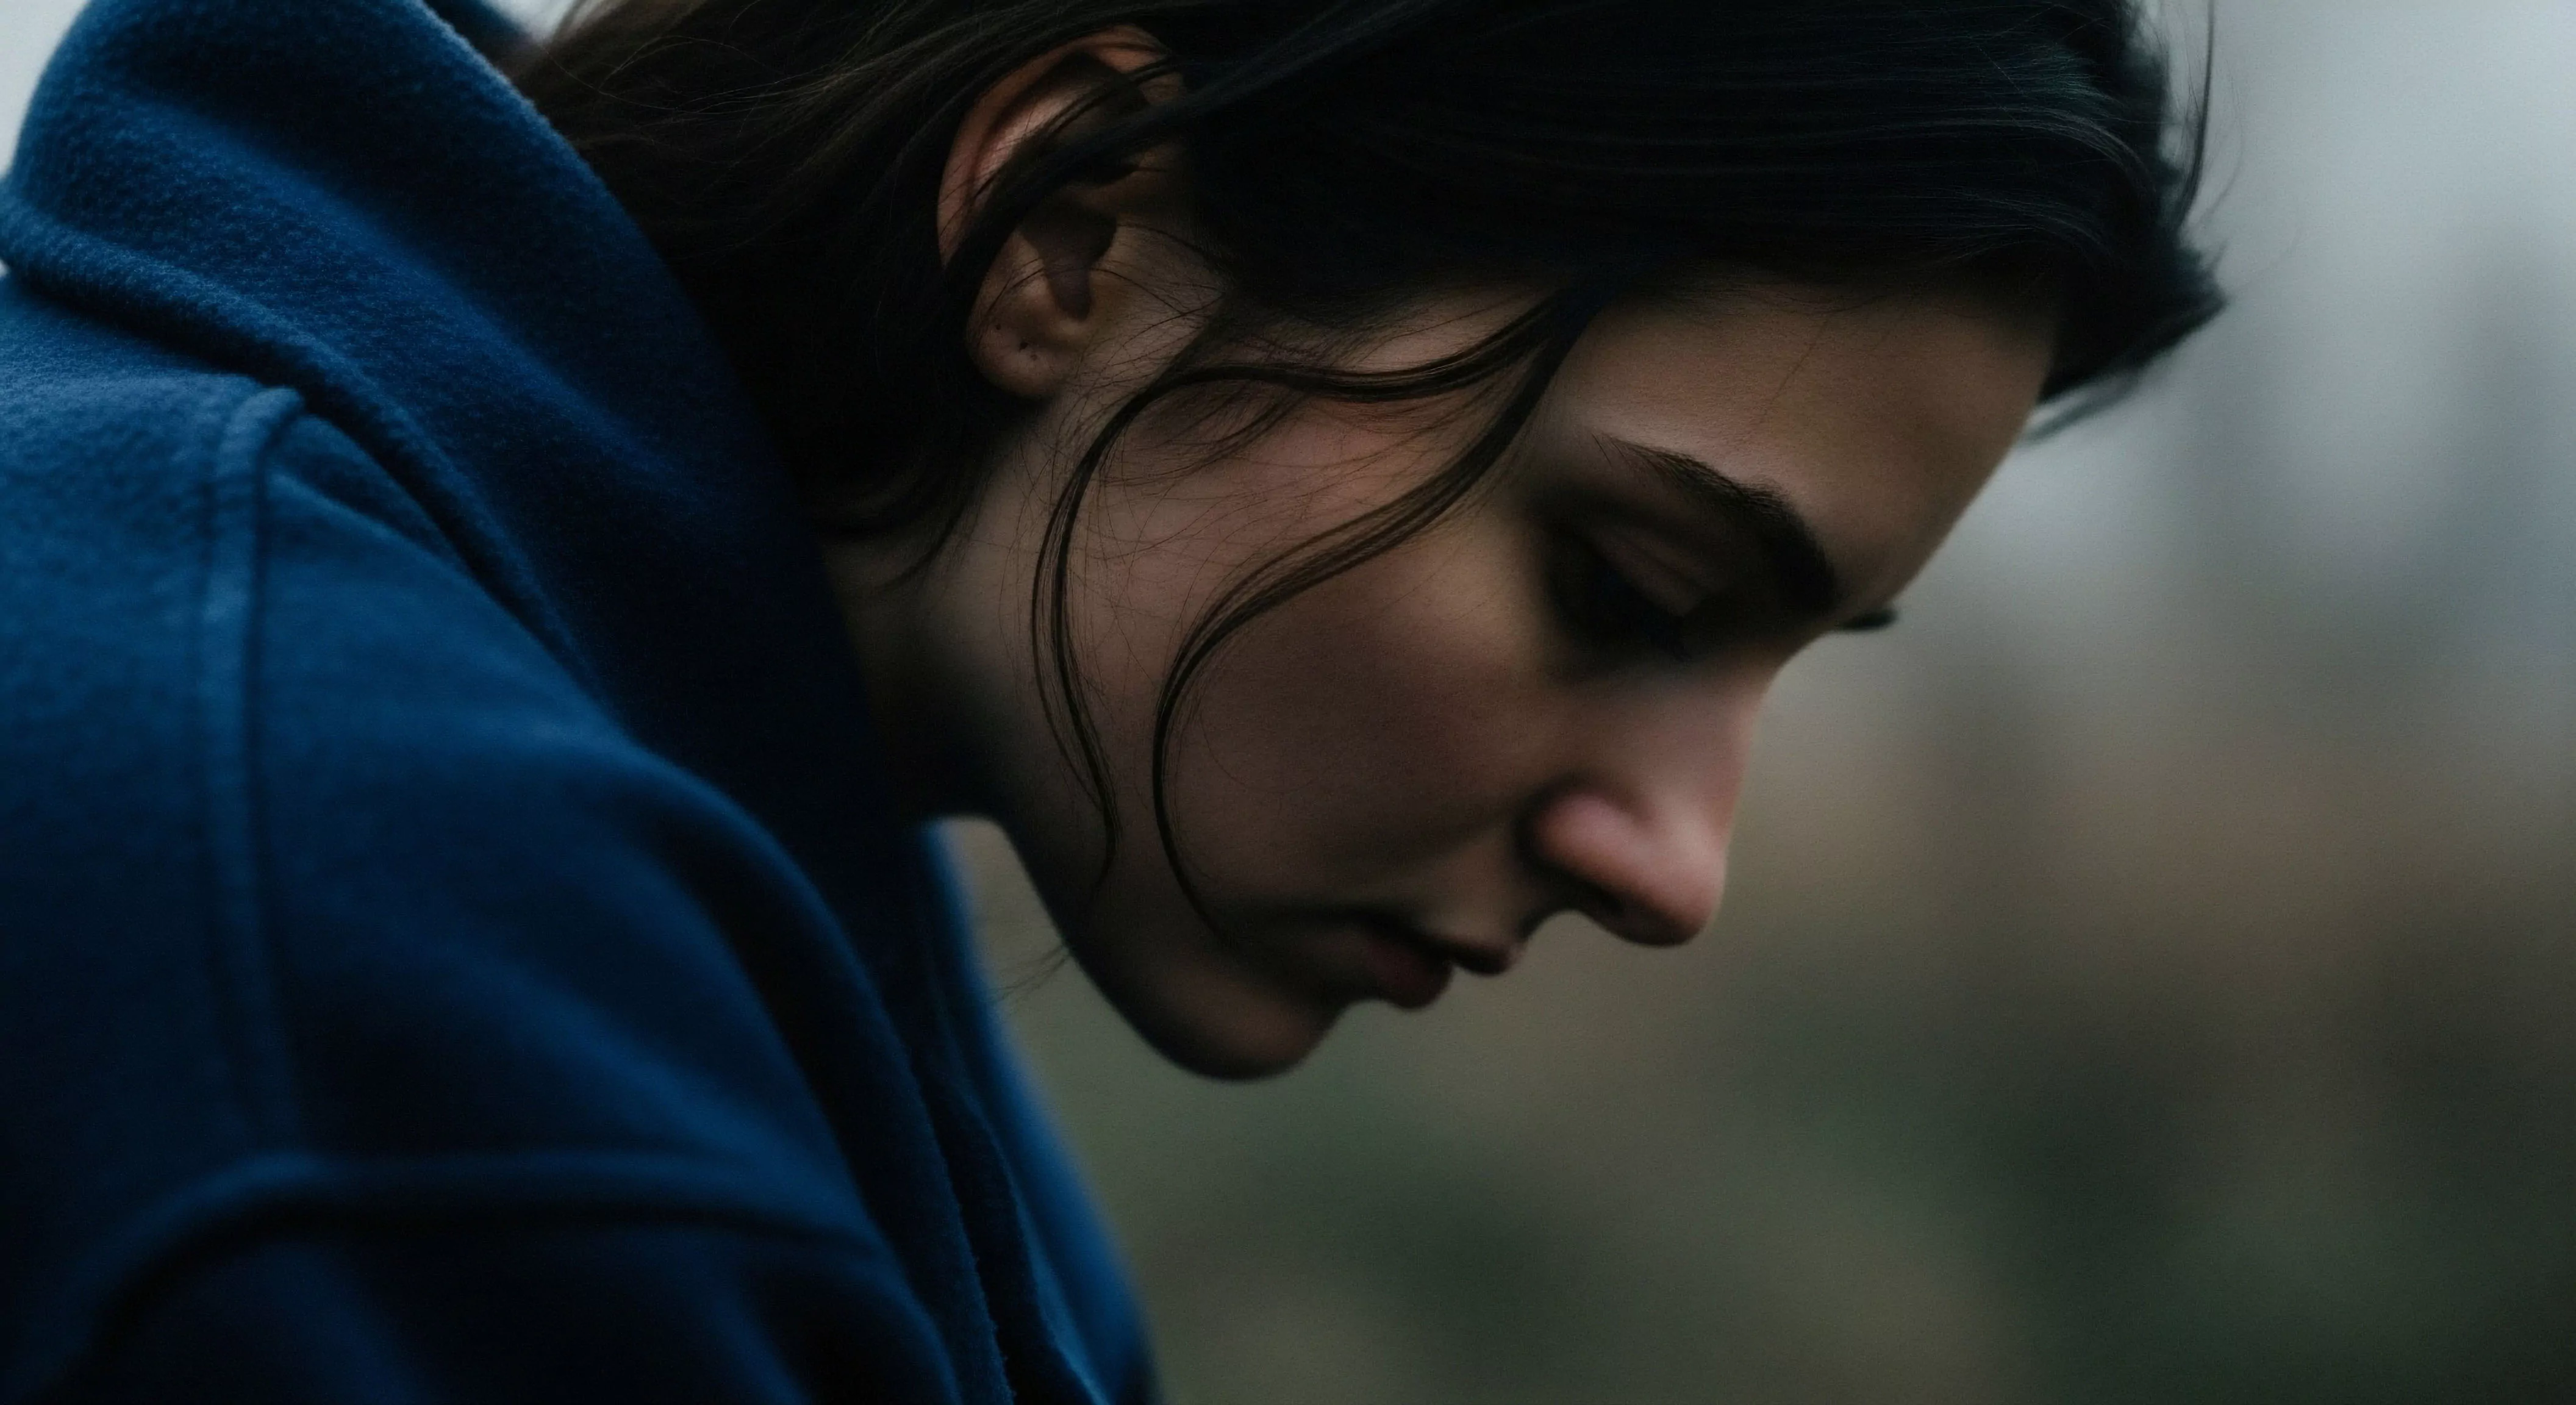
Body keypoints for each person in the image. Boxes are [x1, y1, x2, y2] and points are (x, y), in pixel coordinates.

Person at [0, 0, 2219, 1398]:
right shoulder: (373, 994)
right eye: (1626, 585)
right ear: (1071, 226)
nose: (1678, 867)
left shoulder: (709, 750)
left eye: (1778, 664)